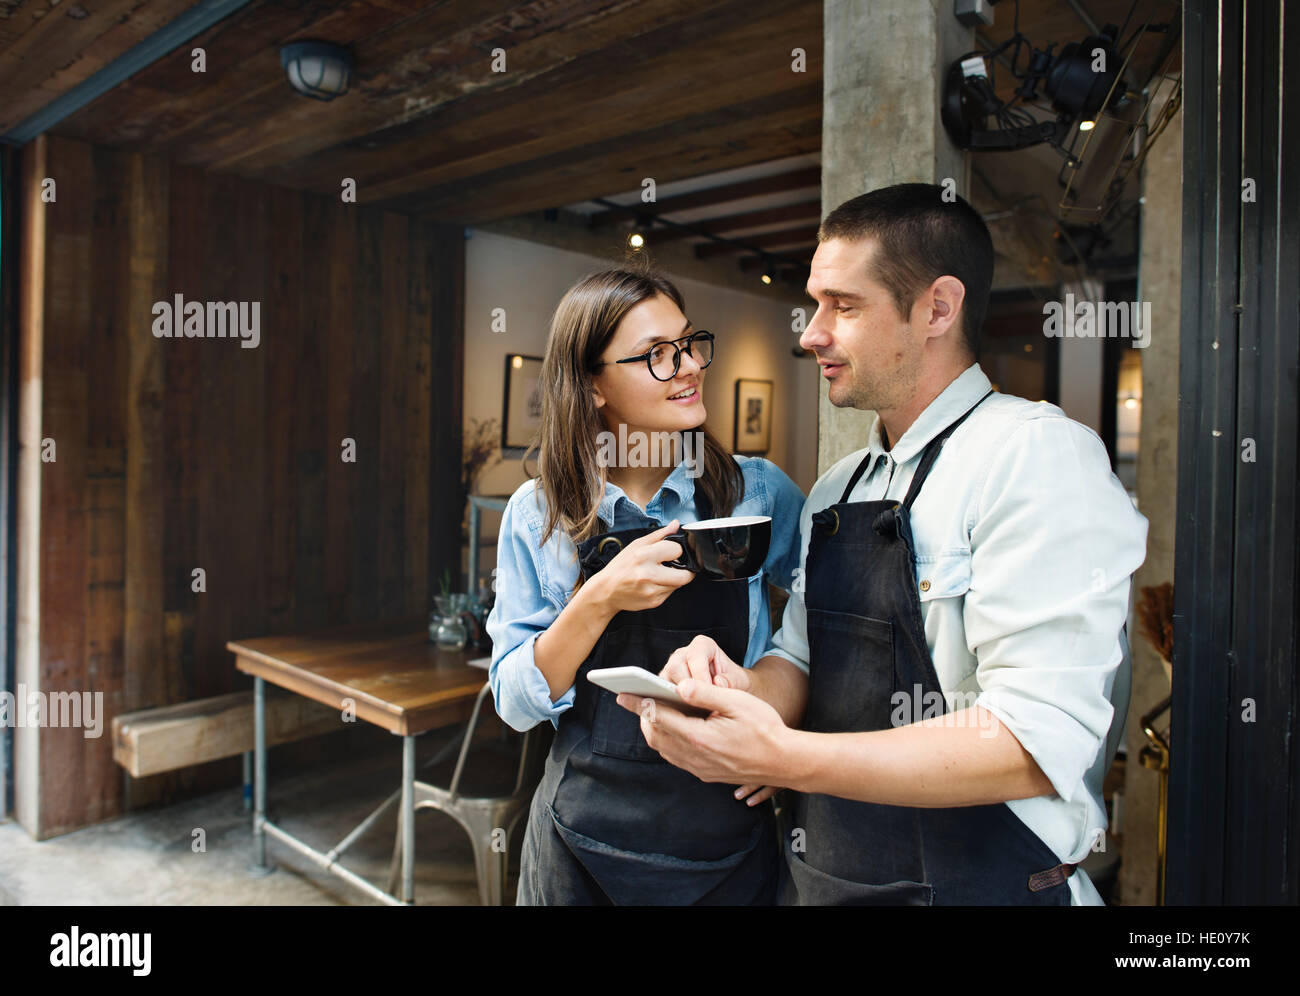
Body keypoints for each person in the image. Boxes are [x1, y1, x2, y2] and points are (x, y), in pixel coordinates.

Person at [618, 183, 1149, 906]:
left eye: (844, 305)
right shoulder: (839, 488)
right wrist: (742, 690)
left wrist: (788, 757)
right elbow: (800, 658)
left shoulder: (1037, 456)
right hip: (828, 881)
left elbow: (1032, 741)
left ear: (937, 308)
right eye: (815, 303)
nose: (810, 333)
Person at [486, 266, 805, 905]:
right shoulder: (538, 511)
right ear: (595, 386)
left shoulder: (756, 490)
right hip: (580, 846)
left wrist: (791, 747)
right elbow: (515, 705)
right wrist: (600, 596)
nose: (687, 365)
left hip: (723, 844)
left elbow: (824, 630)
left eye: (688, 344)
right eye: (657, 355)